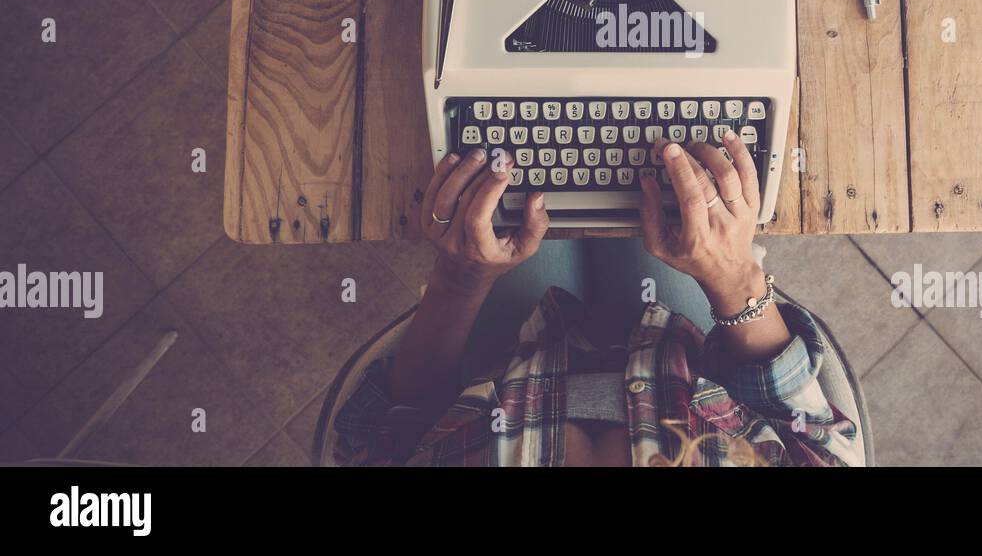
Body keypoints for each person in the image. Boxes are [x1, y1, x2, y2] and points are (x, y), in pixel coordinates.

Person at [333, 132, 863, 466]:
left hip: (502, 356)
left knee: (518, 177)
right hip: (687, 358)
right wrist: (734, 279)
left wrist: (457, 281)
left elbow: (383, 434)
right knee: (652, 165)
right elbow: (819, 444)